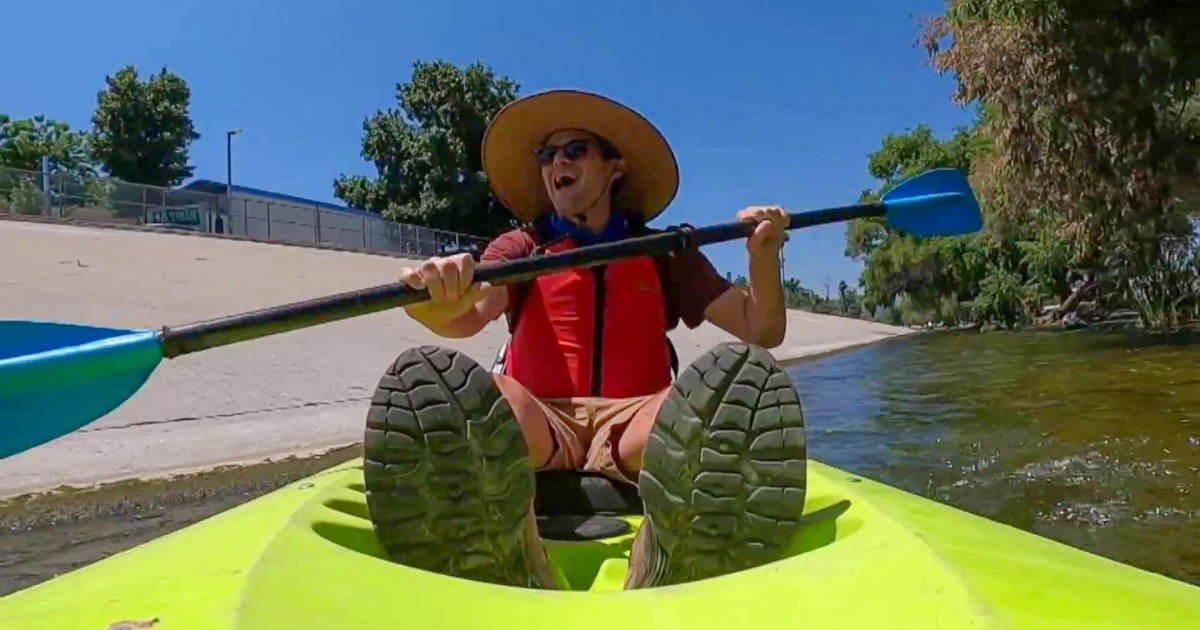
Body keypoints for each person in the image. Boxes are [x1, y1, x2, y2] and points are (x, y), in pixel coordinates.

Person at [363, 89, 807, 590]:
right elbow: (466, 318)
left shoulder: (665, 251)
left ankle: (662, 554)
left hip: (632, 425)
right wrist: (432, 299)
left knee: (710, 393)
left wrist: (763, 255)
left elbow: (761, 329)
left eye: (574, 150)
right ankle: (511, 548)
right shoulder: (523, 246)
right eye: (546, 155)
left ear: (613, 168)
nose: (557, 163)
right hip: (541, 421)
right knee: (477, 393)